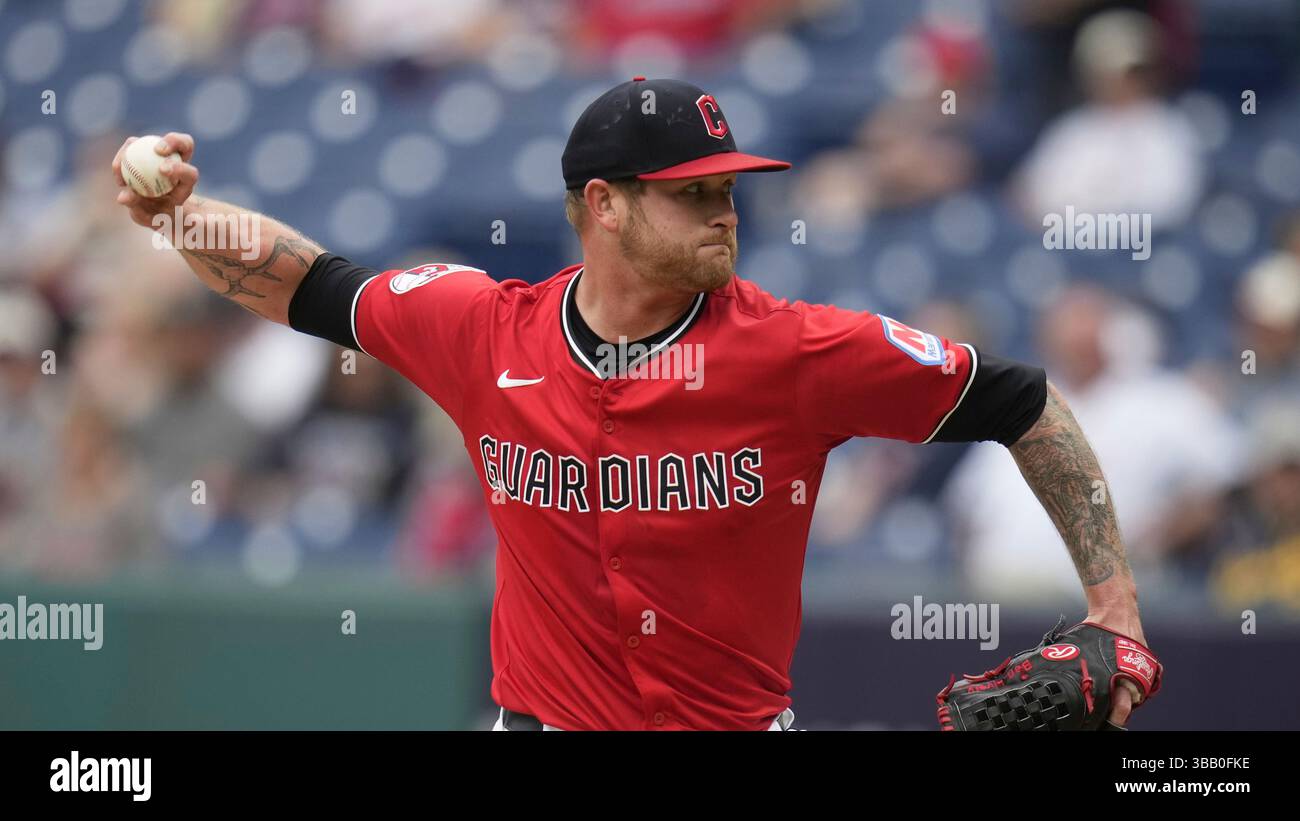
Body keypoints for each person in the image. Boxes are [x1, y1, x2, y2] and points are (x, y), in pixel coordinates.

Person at [111, 77, 1154, 730]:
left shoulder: (798, 350)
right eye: (692, 190)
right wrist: (182, 216)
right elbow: (306, 280)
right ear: (602, 206)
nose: (723, 209)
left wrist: (1114, 605)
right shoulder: (481, 328)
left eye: (728, 187)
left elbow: (1024, 401)